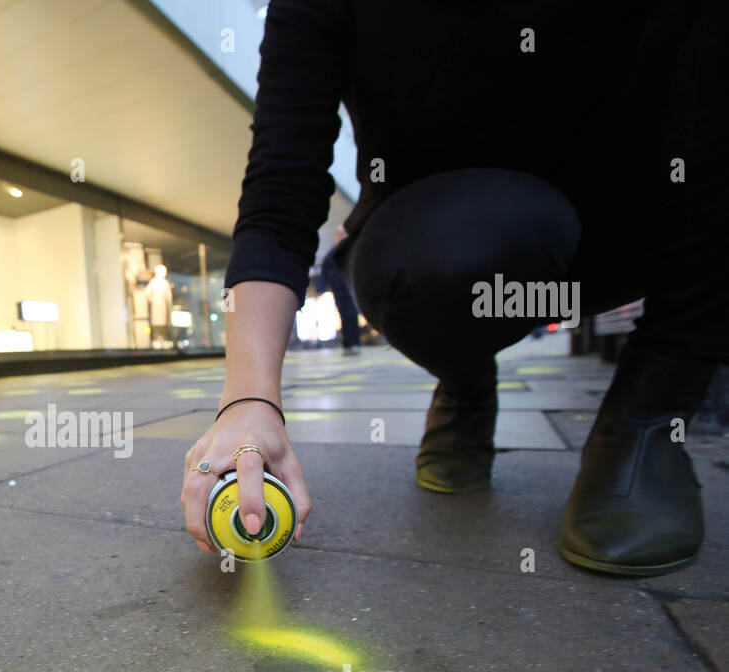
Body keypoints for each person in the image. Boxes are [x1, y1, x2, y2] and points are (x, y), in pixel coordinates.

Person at [182, 0, 726, 578]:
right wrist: (249, 401)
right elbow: (280, 190)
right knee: (442, 255)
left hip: (644, 226)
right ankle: (465, 379)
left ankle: (648, 415)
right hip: (443, 246)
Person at [323, 225, 361, 355]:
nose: (342, 237)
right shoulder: (332, 255)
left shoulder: (354, 251)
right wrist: (323, 288)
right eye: (340, 235)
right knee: (344, 316)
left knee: (352, 315)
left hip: (353, 289)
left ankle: (355, 343)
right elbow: (325, 272)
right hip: (340, 291)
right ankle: (348, 344)